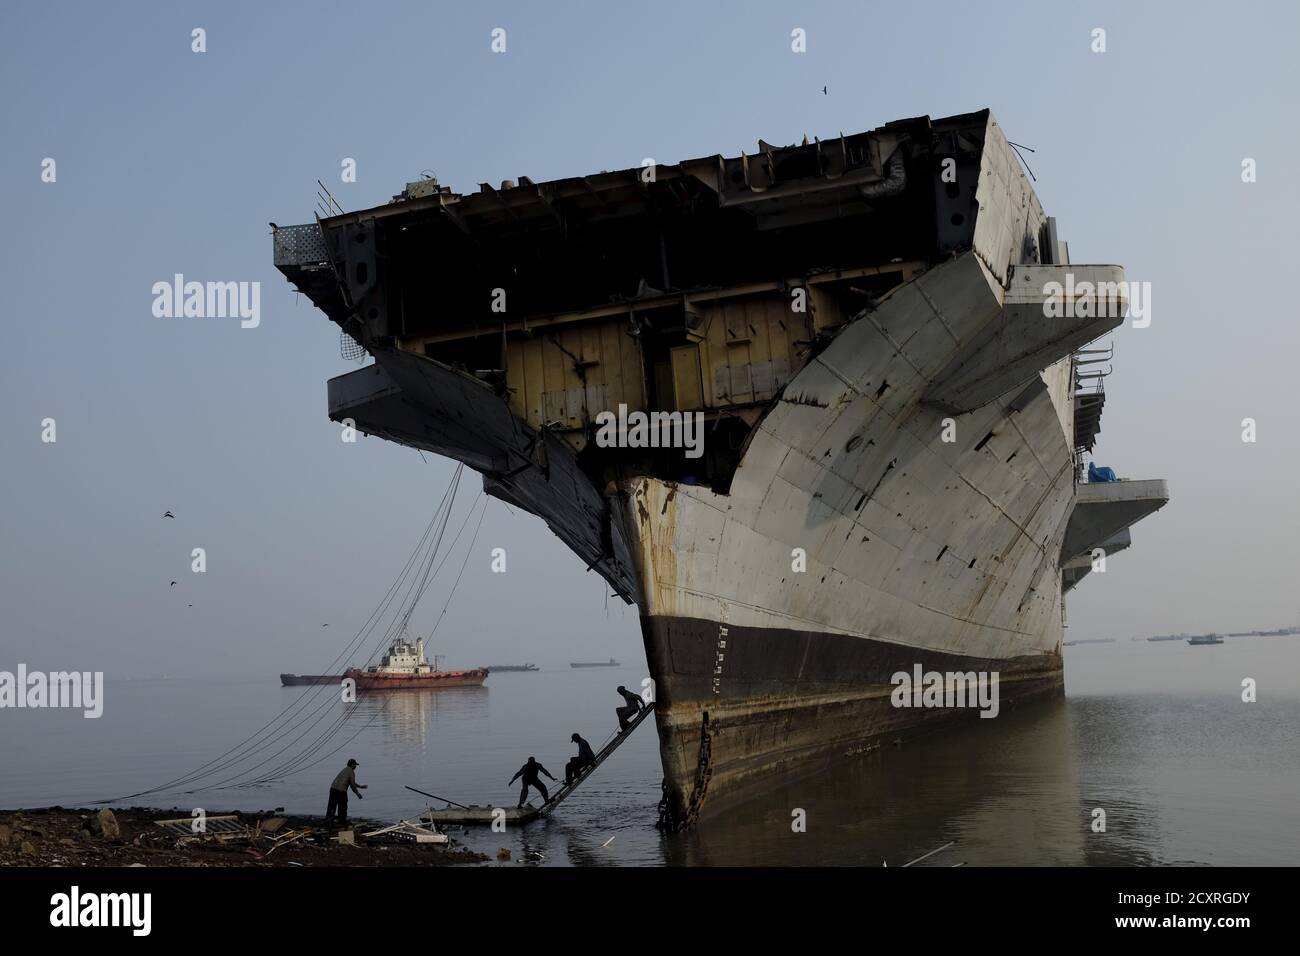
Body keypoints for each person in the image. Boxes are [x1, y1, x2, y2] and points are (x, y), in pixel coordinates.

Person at [325, 758, 366, 827]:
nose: (356, 767)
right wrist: (357, 793)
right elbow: (352, 785)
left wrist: (360, 786)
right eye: (355, 765)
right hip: (341, 791)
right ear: (352, 765)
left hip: (333, 789)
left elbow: (350, 782)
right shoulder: (351, 772)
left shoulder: (345, 770)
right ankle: (342, 821)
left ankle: (328, 821)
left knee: (332, 806)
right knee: (342, 807)